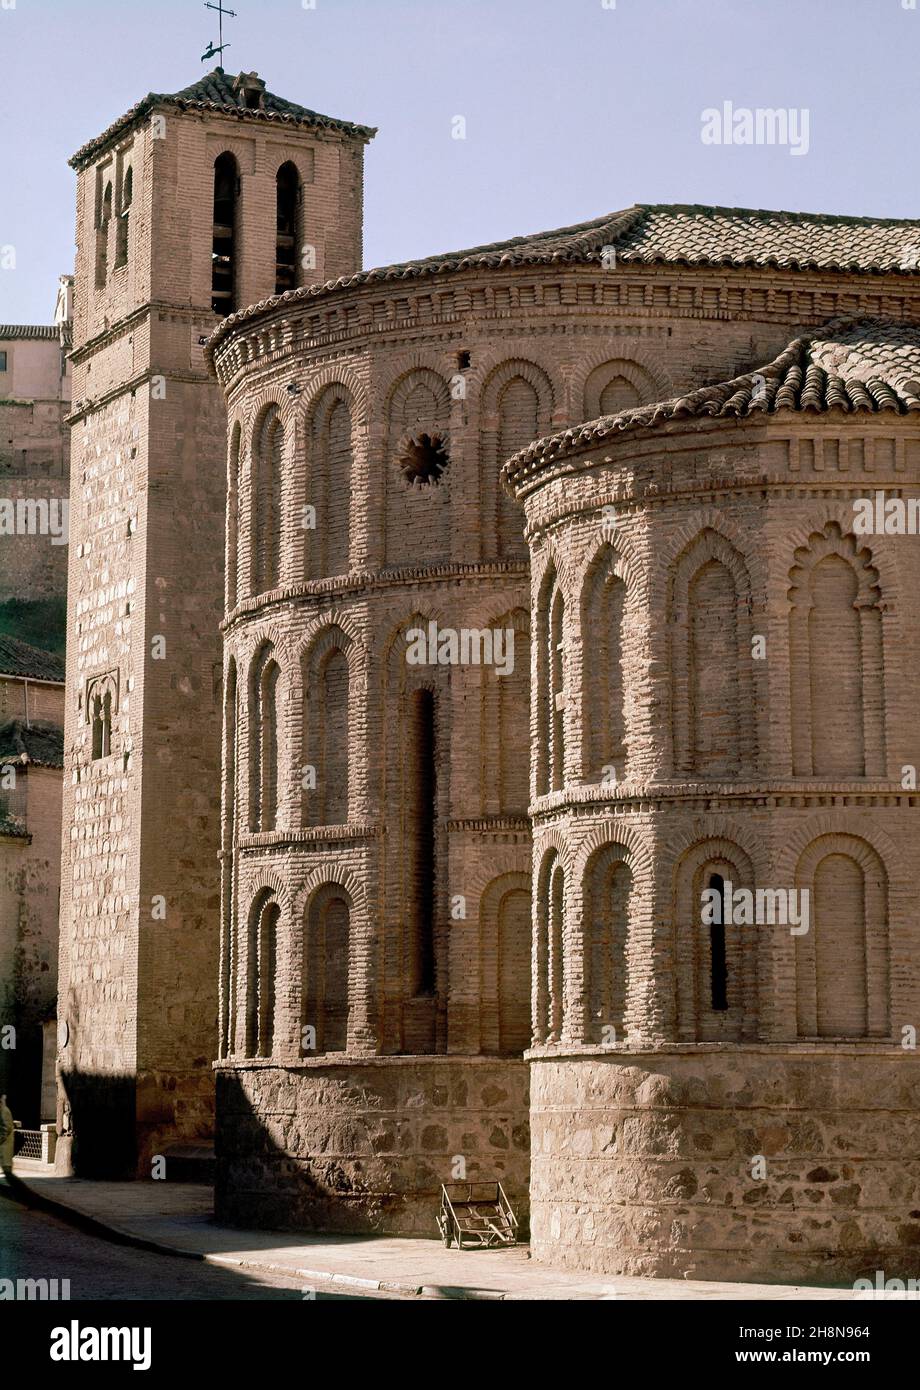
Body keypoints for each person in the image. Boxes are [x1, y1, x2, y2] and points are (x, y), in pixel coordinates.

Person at [0, 1093, 14, 1178]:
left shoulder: (4, 1111)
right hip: (3, 1148)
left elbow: (5, 1130)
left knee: (9, 1175)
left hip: (5, 1148)